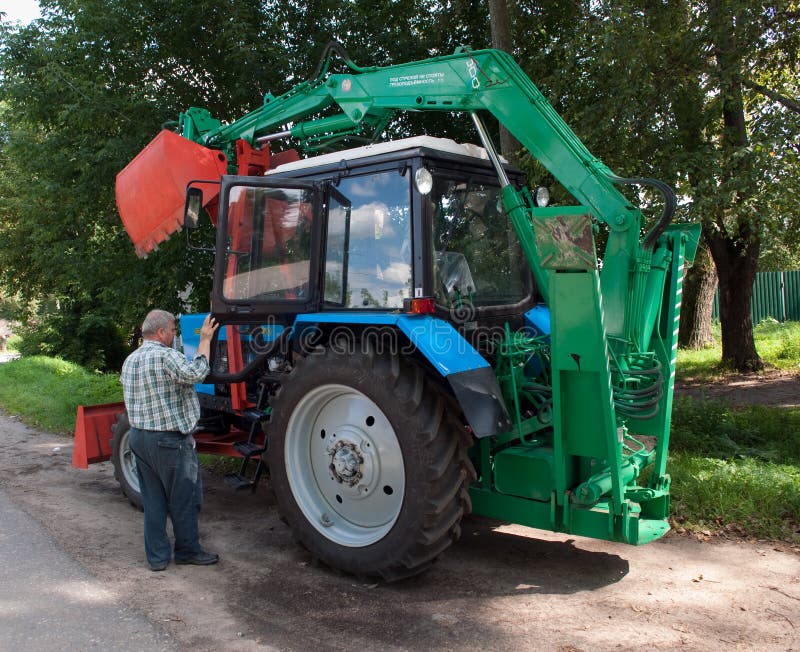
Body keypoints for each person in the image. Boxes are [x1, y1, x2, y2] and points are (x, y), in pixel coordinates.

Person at [120, 309, 220, 571]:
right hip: (168, 441)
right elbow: (197, 373)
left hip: (139, 437)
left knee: (153, 500)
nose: (175, 335)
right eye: (173, 330)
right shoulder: (166, 356)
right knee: (183, 498)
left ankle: (157, 558)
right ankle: (187, 551)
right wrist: (205, 340)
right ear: (162, 332)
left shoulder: (130, 360)